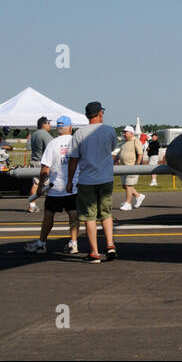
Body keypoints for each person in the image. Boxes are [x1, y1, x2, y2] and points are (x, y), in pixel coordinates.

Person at [66, 101, 121, 263]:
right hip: (105, 178)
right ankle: (110, 246)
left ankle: (94, 252)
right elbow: (112, 148)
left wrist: (69, 181)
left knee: (89, 217)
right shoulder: (109, 130)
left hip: (86, 180)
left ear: (87, 116)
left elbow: (73, 160)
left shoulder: (79, 133)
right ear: (100, 114)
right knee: (106, 214)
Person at [26, 117, 79, 254]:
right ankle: (73, 243)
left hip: (54, 187)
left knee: (49, 217)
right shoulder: (77, 142)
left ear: (58, 129)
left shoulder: (53, 144)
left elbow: (45, 170)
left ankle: (42, 243)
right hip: (73, 186)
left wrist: (39, 187)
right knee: (73, 216)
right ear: (70, 128)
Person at [26, 116, 54, 213]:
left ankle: (32, 205)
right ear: (44, 124)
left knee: (35, 184)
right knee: (51, 184)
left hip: (34, 161)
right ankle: (52, 205)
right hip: (43, 163)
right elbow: (51, 146)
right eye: (48, 123)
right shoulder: (44, 134)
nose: (50, 125)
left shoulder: (34, 134)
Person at [117, 126, 147, 211]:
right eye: (124, 132)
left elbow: (140, 153)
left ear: (131, 133)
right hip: (123, 167)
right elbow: (120, 153)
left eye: (125, 132)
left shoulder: (135, 141)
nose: (124, 134)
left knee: (128, 185)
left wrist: (136, 165)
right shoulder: (124, 142)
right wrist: (115, 160)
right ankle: (138, 196)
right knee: (124, 185)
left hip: (131, 167)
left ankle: (128, 203)